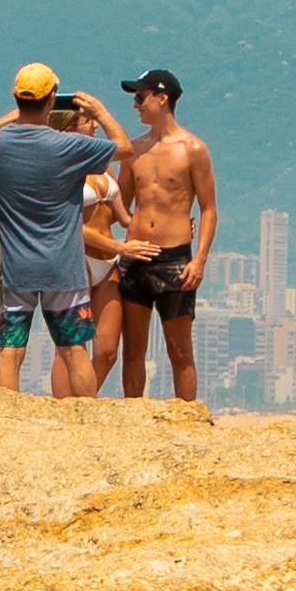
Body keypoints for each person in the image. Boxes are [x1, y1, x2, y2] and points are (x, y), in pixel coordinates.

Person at [0, 62, 133, 400]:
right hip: (63, 268)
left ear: (17, 97)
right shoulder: (67, 146)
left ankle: (6, 421)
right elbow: (124, 148)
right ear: (52, 98)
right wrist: (99, 112)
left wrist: (18, 113)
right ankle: (85, 419)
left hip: (13, 268)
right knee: (74, 350)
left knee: (10, 354)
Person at [95, 70, 219, 402]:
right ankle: (134, 417)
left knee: (180, 351)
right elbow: (120, 202)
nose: (135, 105)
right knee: (133, 350)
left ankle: (186, 419)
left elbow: (208, 209)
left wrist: (200, 260)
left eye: (140, 97)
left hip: (174, 257)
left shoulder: (193, 149)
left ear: (162, 98)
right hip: (135, 255)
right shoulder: (133, 150)